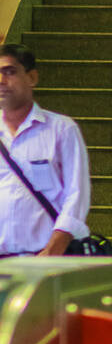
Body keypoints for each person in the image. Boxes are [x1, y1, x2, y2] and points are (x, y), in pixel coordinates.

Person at [0, 43, 91, 257]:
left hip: (48, 260)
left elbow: (77, 195)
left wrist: (52, 251)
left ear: (32, 78)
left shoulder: (61, 129)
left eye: (10, 72)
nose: (1, 81)